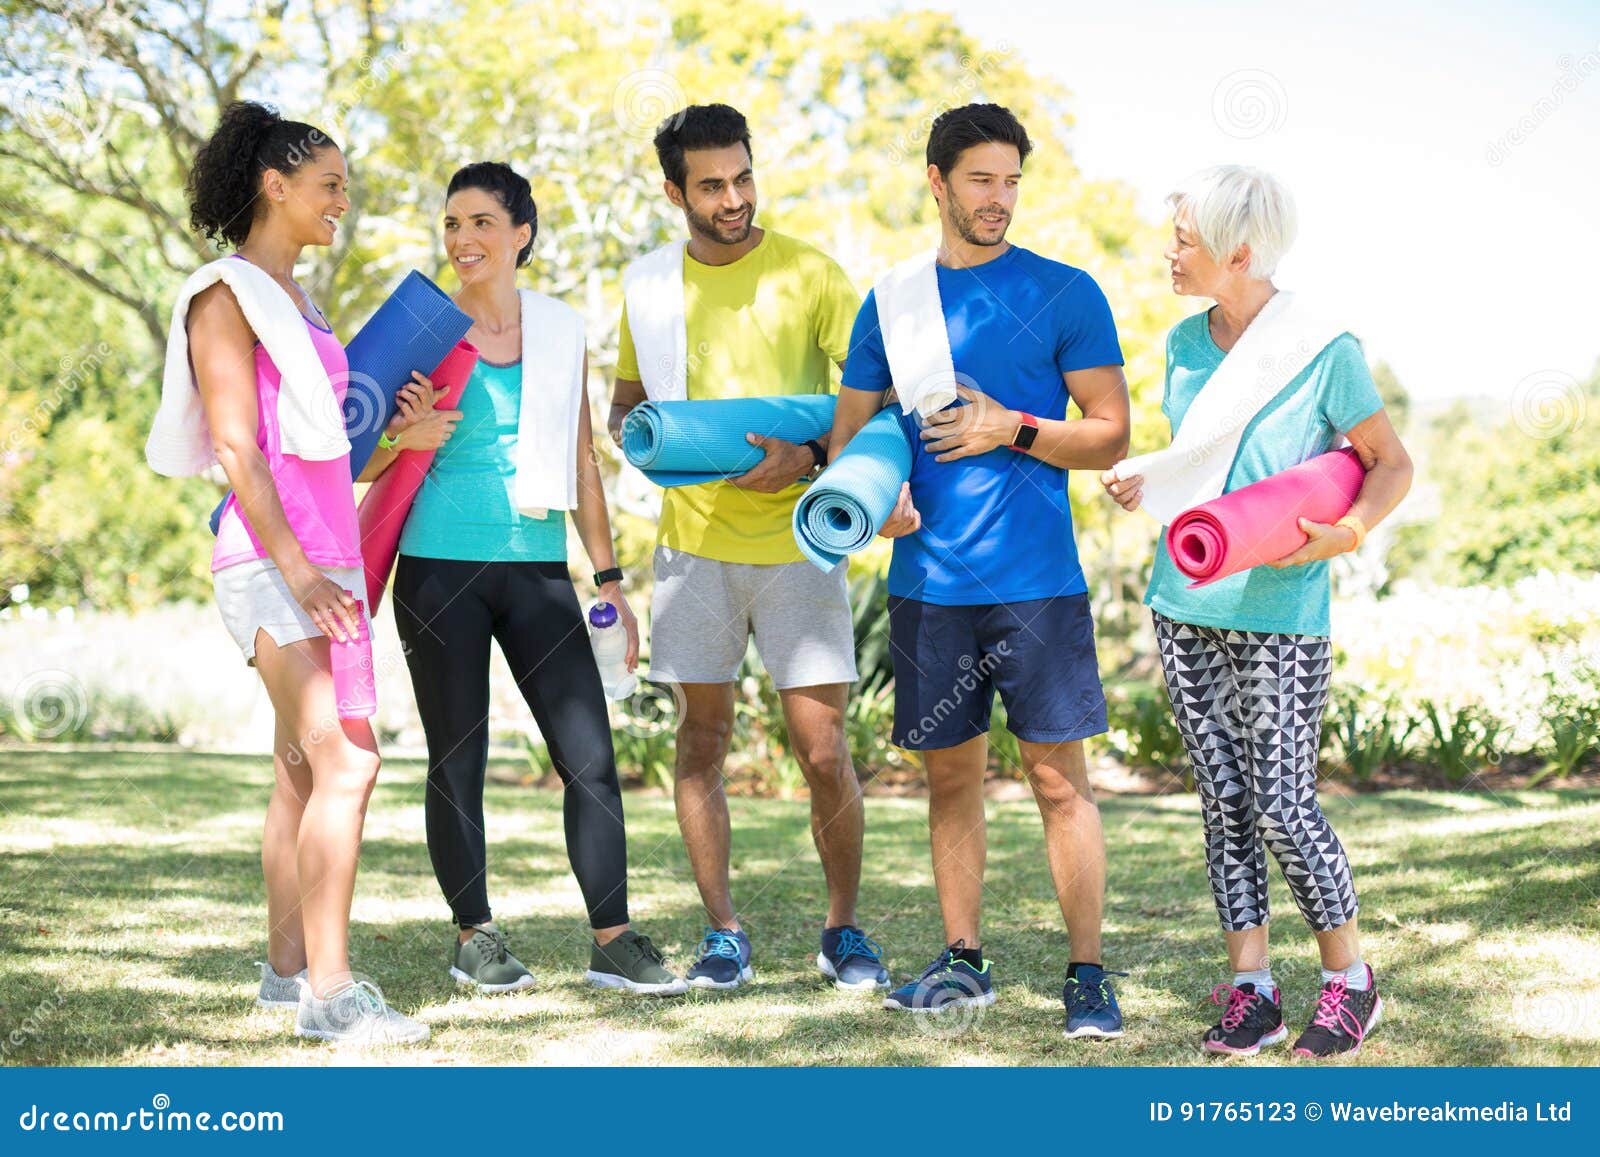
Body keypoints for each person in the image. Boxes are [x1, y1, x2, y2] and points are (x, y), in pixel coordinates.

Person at [828, 103, 1132, 1038]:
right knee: (949, 781)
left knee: (1057, 781)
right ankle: (965, 961)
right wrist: (881, 501)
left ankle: (1087, 972)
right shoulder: (893, 301)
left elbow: (1112, 431)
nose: (999, 199)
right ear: (938, 183)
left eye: (1011, 181)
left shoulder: (1067, 290)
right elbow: (849, 436)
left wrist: (1014, 426)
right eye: (981, 180)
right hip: (927, 589)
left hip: (1036, 583)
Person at [1101, 164, 1413, 1058]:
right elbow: (1204, 458)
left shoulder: (1323, 349)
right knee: (1224, 800)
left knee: (1282, 803)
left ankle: (1351, 983)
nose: (1168, 253)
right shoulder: (1180, 343)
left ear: (1238, 251)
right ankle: (1254, 992)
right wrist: (1150, 484)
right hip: (1185, 596)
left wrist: (1348, 532)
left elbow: (1391, 462)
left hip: (1281, 606)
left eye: (1184, 240)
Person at [150, 100, 438, 1043]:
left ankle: (285, 975)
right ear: (274, 185)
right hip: (278, 561)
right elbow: (238, 448)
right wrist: (300, 570)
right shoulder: (224, 295)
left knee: (299, 774)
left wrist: (401, 441)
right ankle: (331, 992)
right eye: (329, 185)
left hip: (323, 558)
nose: (342, 201)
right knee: (348, 759)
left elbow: (322, 454)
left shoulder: (300, 305)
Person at [608, 104, 888, 991]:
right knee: (701, 743)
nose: (733, 198)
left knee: (822, 748)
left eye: (742, 177)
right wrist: (659, 445)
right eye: (712, 185)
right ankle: (722, 931)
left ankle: (842, 928)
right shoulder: (650, 291)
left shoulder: (810, 272)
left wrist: (806, 459)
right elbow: (624, 407)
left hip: (802, 545)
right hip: (693, 550)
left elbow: (875, 402)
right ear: (674, 191)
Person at [391, 162, 684, 996]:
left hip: (537, 569)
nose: (463, 240)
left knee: (589, 753)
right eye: (451, 223)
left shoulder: (559, 327)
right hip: (438, 568)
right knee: (459, 755)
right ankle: (473, 935)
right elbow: (363, 456)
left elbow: (583, 457)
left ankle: (613, 938)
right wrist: (406, 437)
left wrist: (610, 576)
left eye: (481, 222)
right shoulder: (423, 328)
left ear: (521, 232)